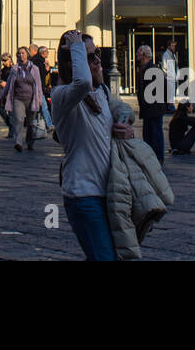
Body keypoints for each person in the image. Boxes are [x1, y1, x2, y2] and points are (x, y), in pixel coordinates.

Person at [53, 31, 134, 260]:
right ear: (74, 63)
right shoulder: (61, 96)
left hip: (107, 192)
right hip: (83, 194)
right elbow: (82, 83)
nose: (98, 61)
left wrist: (124, 126)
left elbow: (124, 111)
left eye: (97, 54)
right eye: (90, 57)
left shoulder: (102, 93)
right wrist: (76, 46)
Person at [2, 46, 44, 152]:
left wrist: (39, 99)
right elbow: (9, 84)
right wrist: (2, 95)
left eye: (23, 53)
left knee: (30, 123)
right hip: (18, 98)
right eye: (19, 54)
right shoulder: (15, 69)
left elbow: (38, 85)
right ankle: (18, 142)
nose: (21, 55)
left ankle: (30, 142)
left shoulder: (34, 69)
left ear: (27, 55)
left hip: (31, 99)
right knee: (19, 120)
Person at [135, 44, 168, 163]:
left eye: (138, 52)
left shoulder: (153, 69)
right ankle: (151, 158)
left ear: (144, 54)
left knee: (155, 135)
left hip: (154, 108)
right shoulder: (142, 68)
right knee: (148, 135)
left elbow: (164, 87)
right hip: (147, 109)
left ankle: (158, 159)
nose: (136, 54)